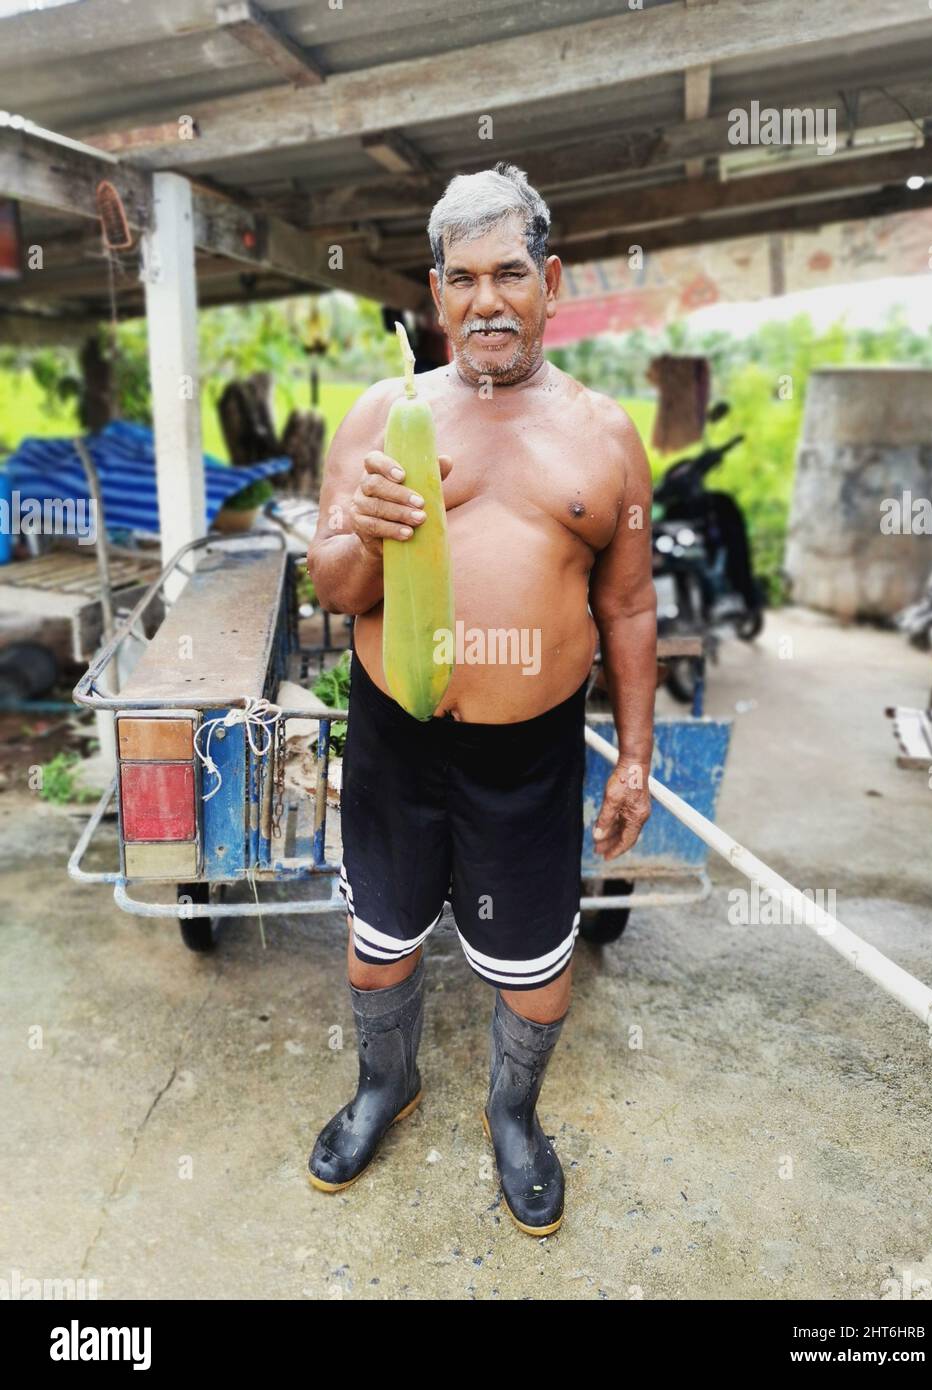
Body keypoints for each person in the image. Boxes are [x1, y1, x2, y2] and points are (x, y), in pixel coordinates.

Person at [306, 162, 656, 1236]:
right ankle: (384, 1086)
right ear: (436, 292)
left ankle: (514, 1114)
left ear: (551, 280)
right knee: (380, 940)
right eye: (463, 279)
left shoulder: (603, 436)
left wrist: (635, 756)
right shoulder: (382, 416)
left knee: (535, 965)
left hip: (529, 754)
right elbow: (334, 589)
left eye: (511, 272)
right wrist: (367, 527)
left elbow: (631, 607)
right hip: (396, 739)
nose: (487, 300)